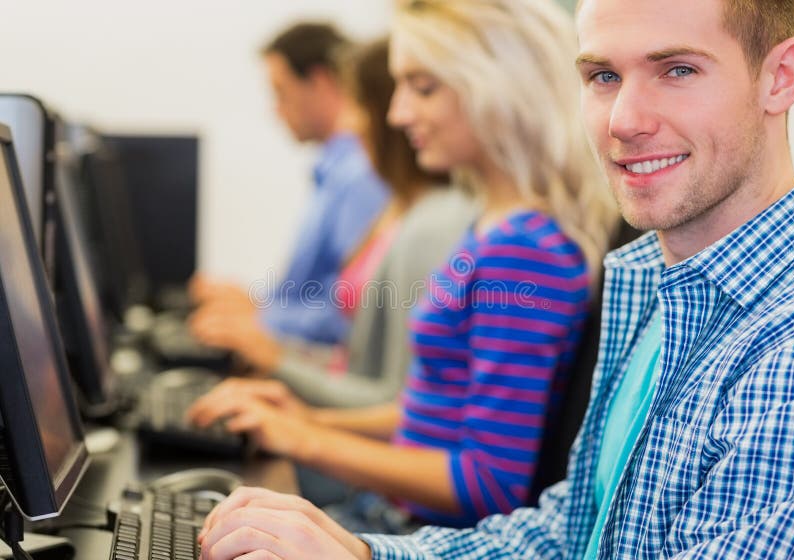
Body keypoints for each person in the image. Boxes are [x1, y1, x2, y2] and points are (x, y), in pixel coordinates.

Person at [195, 0, 794, 558]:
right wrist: (365, 553)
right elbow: (567, 532)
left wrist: (307, 437)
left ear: (781, 78)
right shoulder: (649, 289)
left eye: (678, 71)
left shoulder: (783, 356)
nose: (624, 120)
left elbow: (487, 473)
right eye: (602, 77)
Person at [190, 0, 616, 535]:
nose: (397, 114)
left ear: (495, 87)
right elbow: (434, 413)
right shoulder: (493, 223)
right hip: (399, 517)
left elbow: (488, 481)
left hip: (422, 532)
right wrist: (306, 418)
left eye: (423, 87)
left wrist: (305, 439)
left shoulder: (522, 249)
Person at [191, 38, 476, 409]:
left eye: (357, 105)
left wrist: (279, 365)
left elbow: (394, 399)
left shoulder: (428, 223)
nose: (349, 123)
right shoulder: (402, 211)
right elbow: (359, 364)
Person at [189, 22, 388, 348]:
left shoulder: (361, 176)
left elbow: (353, 312)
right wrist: (256, 305)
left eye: (281, 91)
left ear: (321, 81)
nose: (276, 109)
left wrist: (260, 318)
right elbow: (315, 291)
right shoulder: (335, 172)